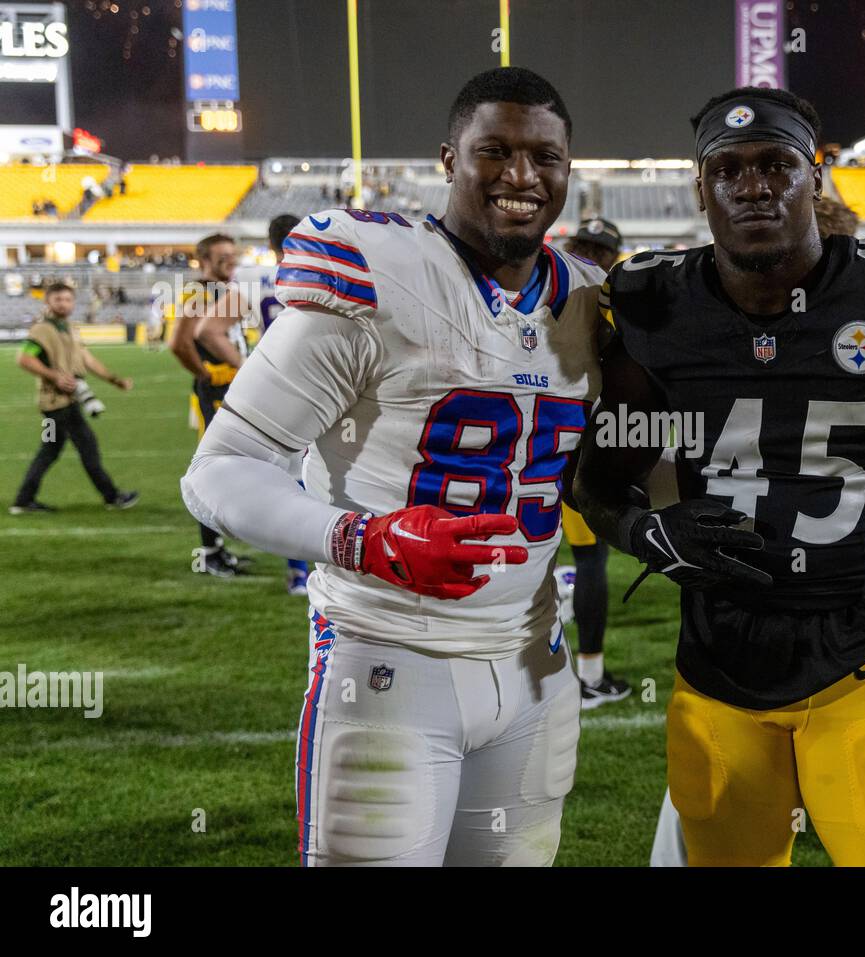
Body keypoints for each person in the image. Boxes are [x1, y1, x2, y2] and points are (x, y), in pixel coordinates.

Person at [572, 87, 865, 866]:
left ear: (815, 178)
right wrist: (646, 530)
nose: (753, 185)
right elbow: (597, 482)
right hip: (718, 673)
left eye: (777, 164)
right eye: (729, 169)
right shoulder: (654, 306)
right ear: (699, 187)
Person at [181, 67, 607, 866]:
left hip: (535, 663)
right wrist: (363, 538)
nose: (521, 176)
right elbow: (220, 469)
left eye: (544, 157)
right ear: (449, 160)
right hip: (387, 655)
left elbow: (612, 472)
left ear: (568, 169)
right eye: (495, 152)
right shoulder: (379, 274)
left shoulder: (592, 299)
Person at [561, 217, 630, 707]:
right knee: (589, 561)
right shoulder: (608, 300)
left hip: (527, 444)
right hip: (581, 444)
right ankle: (588, 674)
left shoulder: (544, 289)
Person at [235, 213, 312, 595]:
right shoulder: (326, 270)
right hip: (325, 381)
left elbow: (212, 328)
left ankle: (298, 570)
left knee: (292, 481)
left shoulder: (249, 278)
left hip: (277, 386)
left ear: (269, 245)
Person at [11, 282, 138, 514]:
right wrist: (54, 377)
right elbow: (24, 359)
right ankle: (112, 496)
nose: (64, 304)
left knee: (49, 449)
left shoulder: (68, 327)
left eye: (68, 299)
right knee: (87, 446)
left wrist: (114, 379)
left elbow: (87, 359)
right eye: (58, 299)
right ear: (47, 301)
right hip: (57, 405)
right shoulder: (42, 330)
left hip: (57, 406)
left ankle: (23, 500)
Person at [170, 232, 251, 578]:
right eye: (222, 256)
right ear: (203, 260)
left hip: (232, 387)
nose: (230, 261)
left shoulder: (226, 292)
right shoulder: (197, 292)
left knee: (232, 469)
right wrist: (204, 374)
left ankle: (218, 548)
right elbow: (179, 343)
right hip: (216, 390)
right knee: (214, 470)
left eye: (233, 255)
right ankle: (208, 553)